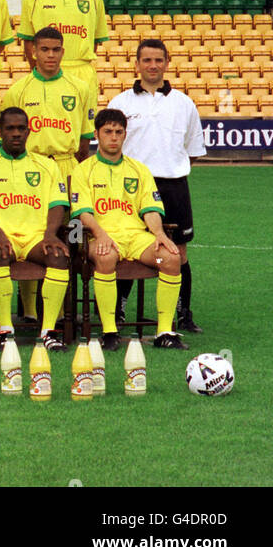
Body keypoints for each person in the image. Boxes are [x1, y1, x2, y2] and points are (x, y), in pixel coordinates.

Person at [71, 108, 188, 351]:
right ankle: (109, 331)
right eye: (108, 132)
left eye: (118, 132)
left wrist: (159, 234)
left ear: (125, 135)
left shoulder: (139, 170)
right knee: (106, 257)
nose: (113, 137)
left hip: (137, 241)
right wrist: (102, 234)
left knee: (169, 258)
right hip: (100, 237)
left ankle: (165, 331)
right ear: (96, 134)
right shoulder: (83, 170)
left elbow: (151, 209)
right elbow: (83, 213)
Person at [110, 38, 205, 333]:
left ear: (167, 63)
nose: (153, 65)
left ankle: (182, 314)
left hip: (173, 185)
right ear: (136, 64)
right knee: (126, 248)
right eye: (147, 60)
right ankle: (119, 310)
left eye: (158, 60)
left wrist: (169, 169)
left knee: (179, 251)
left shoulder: (184, 103)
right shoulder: (120, 103)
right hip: (131, 187)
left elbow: (192, 150)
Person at [0, 25, 93, 323]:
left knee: (73, 234)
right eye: (44, 49)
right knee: (30, 232)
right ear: (33, 52)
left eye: (56, 50)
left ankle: (67, 305)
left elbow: (83, 141)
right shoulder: (18, 89)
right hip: (31, 168)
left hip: (67, 167)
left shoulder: (80, 88)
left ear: (63, 52)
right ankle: (28, 310)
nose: (50, 55)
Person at [0, 107, 73, 351]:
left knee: (58, 256)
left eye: (21, 128)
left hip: (36, 237)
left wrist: (50, 235)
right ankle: (6, 331)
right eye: (10, 129)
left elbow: (58, 204)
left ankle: (48, 332)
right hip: (4, 236)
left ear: (29, 131)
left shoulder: (46, 165)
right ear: (0, 132)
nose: (16, 133)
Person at [18, 0, 109, 102]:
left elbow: (95, 41)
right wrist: (38, 70)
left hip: (82, 72)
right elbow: (29, 40)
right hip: (46, 72)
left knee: (83, 125)